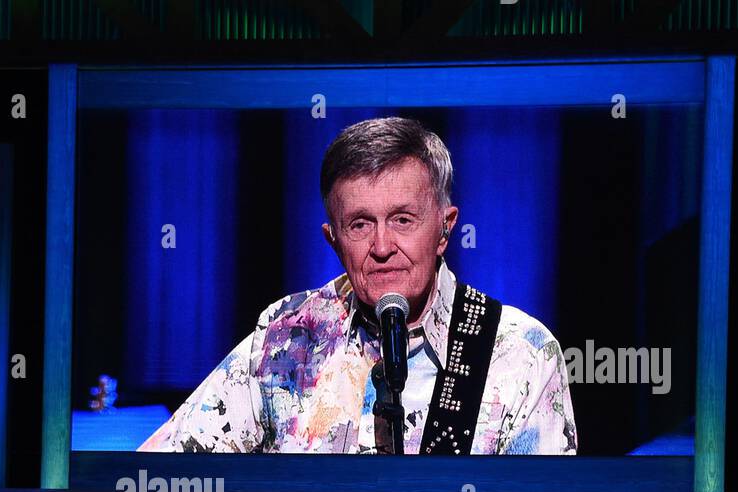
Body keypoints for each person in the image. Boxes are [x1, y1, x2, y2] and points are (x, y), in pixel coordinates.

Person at [141, 116, 576, 455]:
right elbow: (156, 484)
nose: (382, 246)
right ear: (333, 240)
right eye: (360, 224)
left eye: (403, 220)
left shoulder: (522, 353)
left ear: (444, 230)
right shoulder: (286, 334)